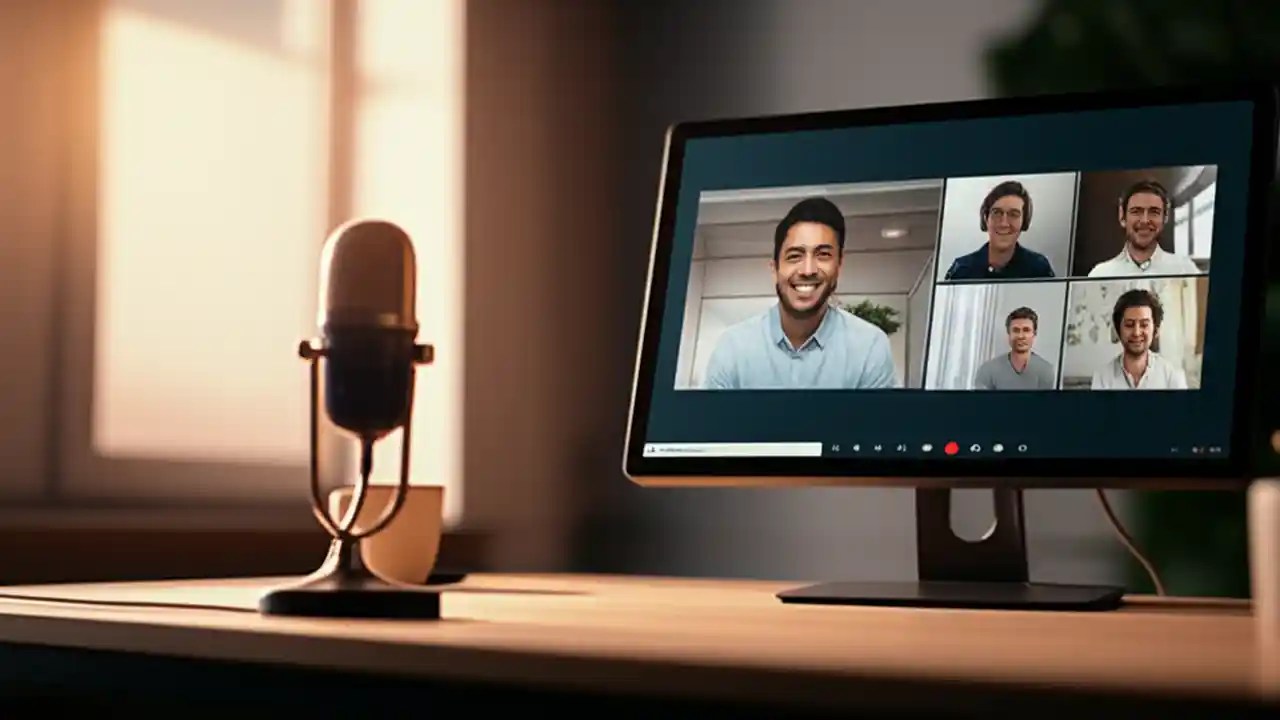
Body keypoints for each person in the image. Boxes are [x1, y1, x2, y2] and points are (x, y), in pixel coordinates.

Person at [701, 197, 898, 390]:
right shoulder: (733, 347)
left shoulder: (869, 348)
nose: (808, 270)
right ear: (774, 268)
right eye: (794, 256)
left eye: (823, 255)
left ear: (839, 265)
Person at [1087, 179, 1202, 277]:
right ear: (1122, 217)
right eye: (1136, 211)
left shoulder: (1185, 270)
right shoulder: (1100, 274)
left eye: (1154, 212)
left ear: (1165, 218)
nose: (1145, 220)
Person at [943, 180, 1055, 280]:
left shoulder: (1039, 268)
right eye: (997, 213)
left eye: (1013, 214)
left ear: (1024, 221)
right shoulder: (961, 269)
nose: (1003, 223)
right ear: (986, 218)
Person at [1090, 288, 1188, 390]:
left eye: (1144, 325)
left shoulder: (1172, 376)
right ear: (1118, 329)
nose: (1136, 333)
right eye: (1129, 325)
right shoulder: (1102, 377)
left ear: (1156, 329)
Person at [972, 307, 1057, 390]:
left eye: (1026, 330)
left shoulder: (1045, 370)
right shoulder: (988, 370)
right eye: (1016, 330)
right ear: (1009, 333)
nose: (1021, 336)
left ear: (1034, 334)